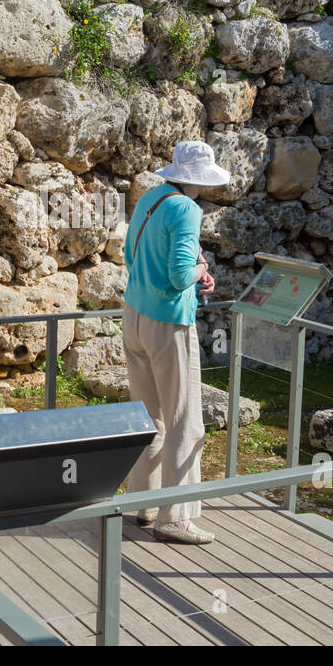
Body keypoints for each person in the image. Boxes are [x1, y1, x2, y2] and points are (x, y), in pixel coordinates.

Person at [121, 140, 230, 546]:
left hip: (134, 316)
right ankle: (177, 516)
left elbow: (131, 257)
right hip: (168, 323)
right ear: (200, 179)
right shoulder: (188, 209)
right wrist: (201, 267)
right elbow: (180, 273)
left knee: (149, 417)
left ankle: (143, 503)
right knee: (186, 420)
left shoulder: (151, 197)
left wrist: (193, 270)